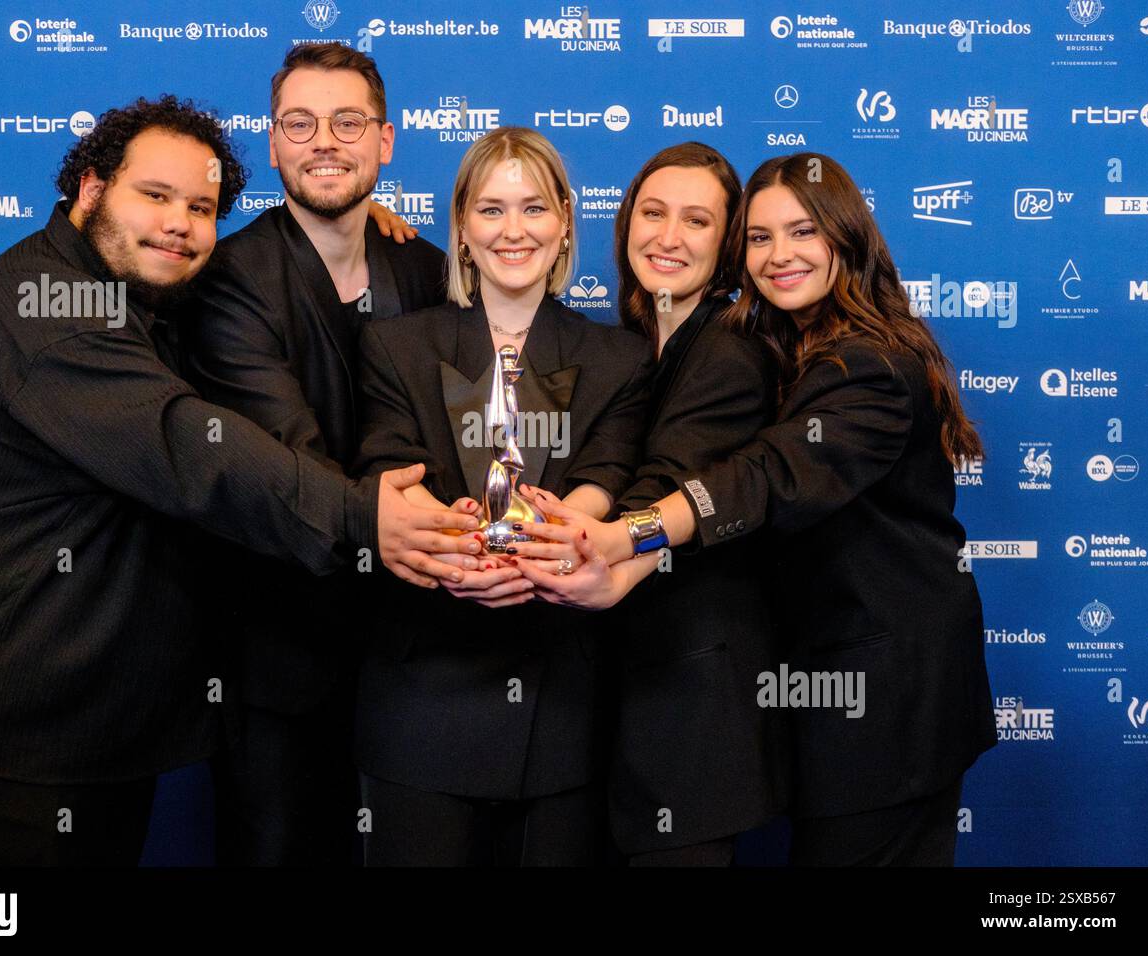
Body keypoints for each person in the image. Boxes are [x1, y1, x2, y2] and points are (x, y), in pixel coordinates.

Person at [0, 95, 479, 867]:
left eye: (201, 206)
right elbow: (189, 447)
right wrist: (364, 517)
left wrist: (351, 219)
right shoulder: (46, 302)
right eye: (153, 196)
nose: (179, 224)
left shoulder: (147, 298)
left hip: (85, 718)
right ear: (90, 191)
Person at [517, 152, 996, 866]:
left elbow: (766, 476)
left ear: (847, 240)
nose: (780, 255)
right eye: (762, 238)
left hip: (890, 700)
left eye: (803, 233)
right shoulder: (792, 344)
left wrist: (625, 541)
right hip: (829, 687)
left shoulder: (868, 362)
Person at [352, 127, 652, 866]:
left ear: (563, 226)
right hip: (425, 697)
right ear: (460, 228)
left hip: (560, 703)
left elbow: (604, 481)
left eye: (533, 209)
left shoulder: (618, 357)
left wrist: (534, 552)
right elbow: (396, 473)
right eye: (490, 210)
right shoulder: (399, 346)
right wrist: (458, 552)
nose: (513, 231)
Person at [183, 43, 447, 867]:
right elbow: (286, 457)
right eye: (300, 123)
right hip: (280, 657)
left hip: (411, 653)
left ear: (386, 141)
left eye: (347, 122)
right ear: (271, 144)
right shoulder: (229, 278)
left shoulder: (424, 264)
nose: (323, 141)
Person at [600, 143, 788, 866]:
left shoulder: (732, 351)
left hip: (694, 710)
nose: (668, 237)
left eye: (697, 221)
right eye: (653, 213)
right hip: (636, 696)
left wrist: (574, 547)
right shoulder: (633, 345)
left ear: (728, 244)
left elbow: (663, 490)